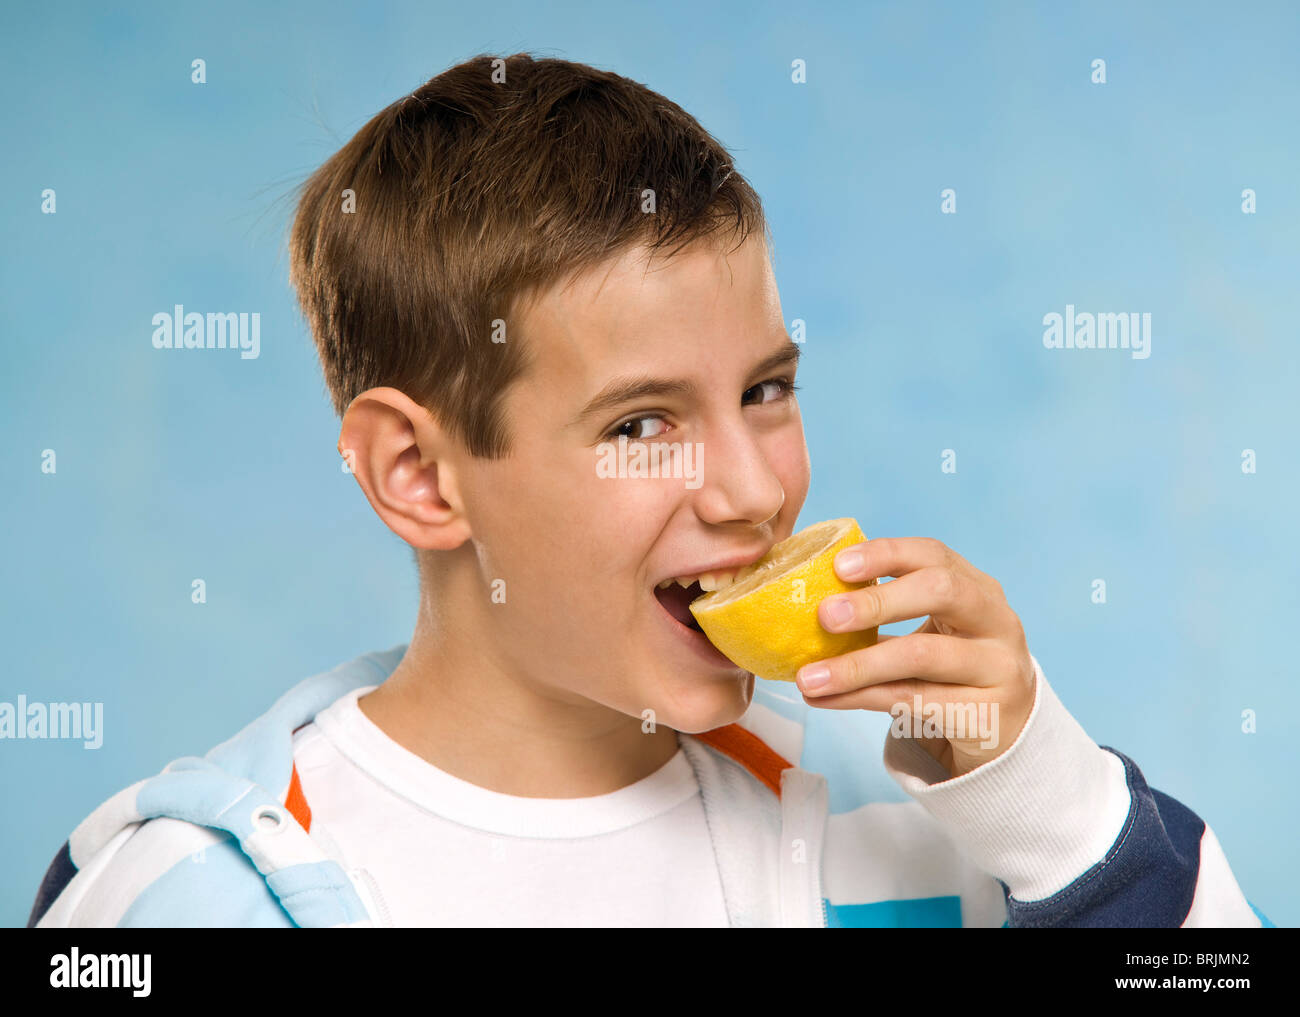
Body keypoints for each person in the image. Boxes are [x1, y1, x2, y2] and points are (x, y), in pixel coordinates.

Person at [29, 52, 1271, 928]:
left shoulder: (921, 829)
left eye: (767, 391)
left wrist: (1056, 814)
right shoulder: (193, 896)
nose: (749, 489)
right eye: (639, 424)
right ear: (417, 474)